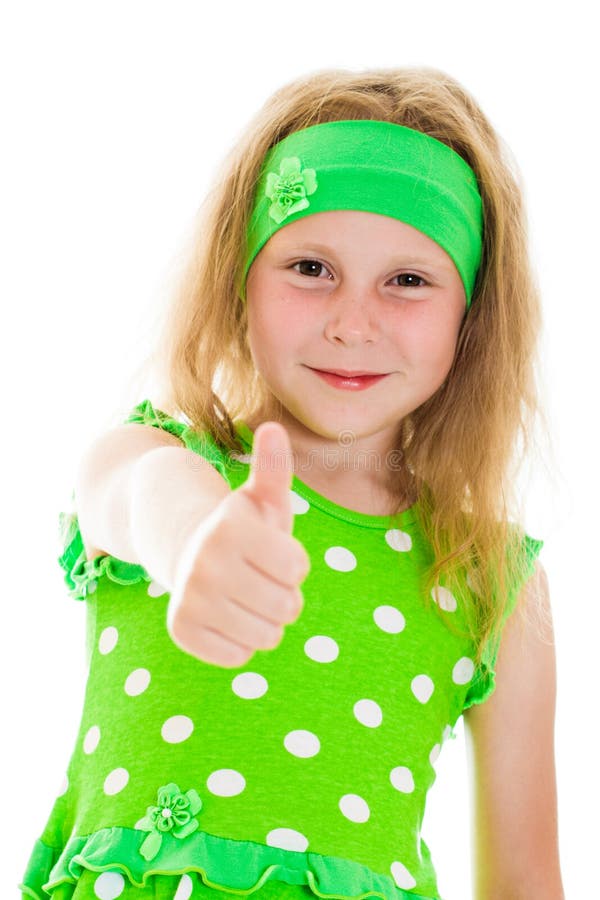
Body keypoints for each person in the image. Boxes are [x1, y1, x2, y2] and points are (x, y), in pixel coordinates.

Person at [19, 67, 565, 900]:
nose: (352, 321)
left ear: (471, 318)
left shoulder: (493, 578)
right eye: (311, 267)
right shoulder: (154, 457)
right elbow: (139, 497)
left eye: (408, 281)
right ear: (239, 279)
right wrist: (198, 538)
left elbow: (524, 880)